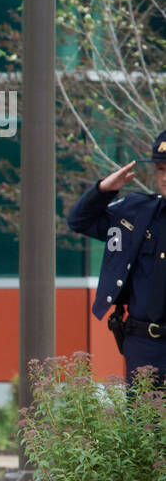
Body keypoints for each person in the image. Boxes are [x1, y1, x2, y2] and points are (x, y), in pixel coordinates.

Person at [67, 129, 166, 386]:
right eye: (161, 169)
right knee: (143, 425)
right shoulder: (137, 212)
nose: (165, 177)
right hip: (144, 342)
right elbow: (79, 221)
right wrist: (103, 190)